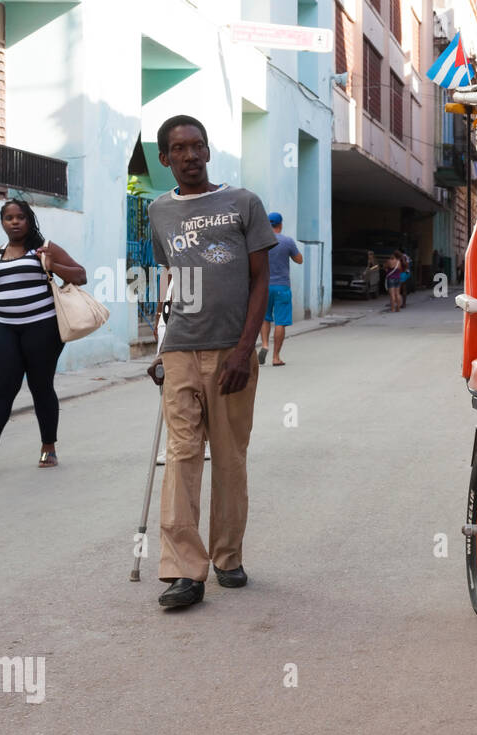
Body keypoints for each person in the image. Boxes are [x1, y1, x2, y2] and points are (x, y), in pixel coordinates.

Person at [145, 114, 276, 609]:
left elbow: (260, 279)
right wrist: (161, 347)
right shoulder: (159, 212)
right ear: (165, 158)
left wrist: (245, 349)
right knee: (181, 455)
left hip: (231, 350)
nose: (190, 155)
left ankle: (227, 556)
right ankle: (184, 571)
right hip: (179, 347)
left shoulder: (243, 203)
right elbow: (172, 281)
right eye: (179, 149)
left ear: (207, 150)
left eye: (197, 146)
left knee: (228, 456)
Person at [0, 200, 86, 474]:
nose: (14, 222)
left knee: (41, 387)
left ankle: (48, 447)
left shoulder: (44, 248)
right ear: (2, 223)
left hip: (43, 328)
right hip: (4, 329)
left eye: (20, 217)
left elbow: (80, 275)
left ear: (29, 220)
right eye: (8, 218)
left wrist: (52, 266)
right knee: (0, 392)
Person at [259, 211, 302, 367]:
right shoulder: (287, 241)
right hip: (282, 286)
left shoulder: (260, 241)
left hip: (263, 286)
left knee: (265, 318)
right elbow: (299, 260)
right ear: (280, 224)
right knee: (280, 322)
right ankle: (276, 357)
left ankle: (264, 344)